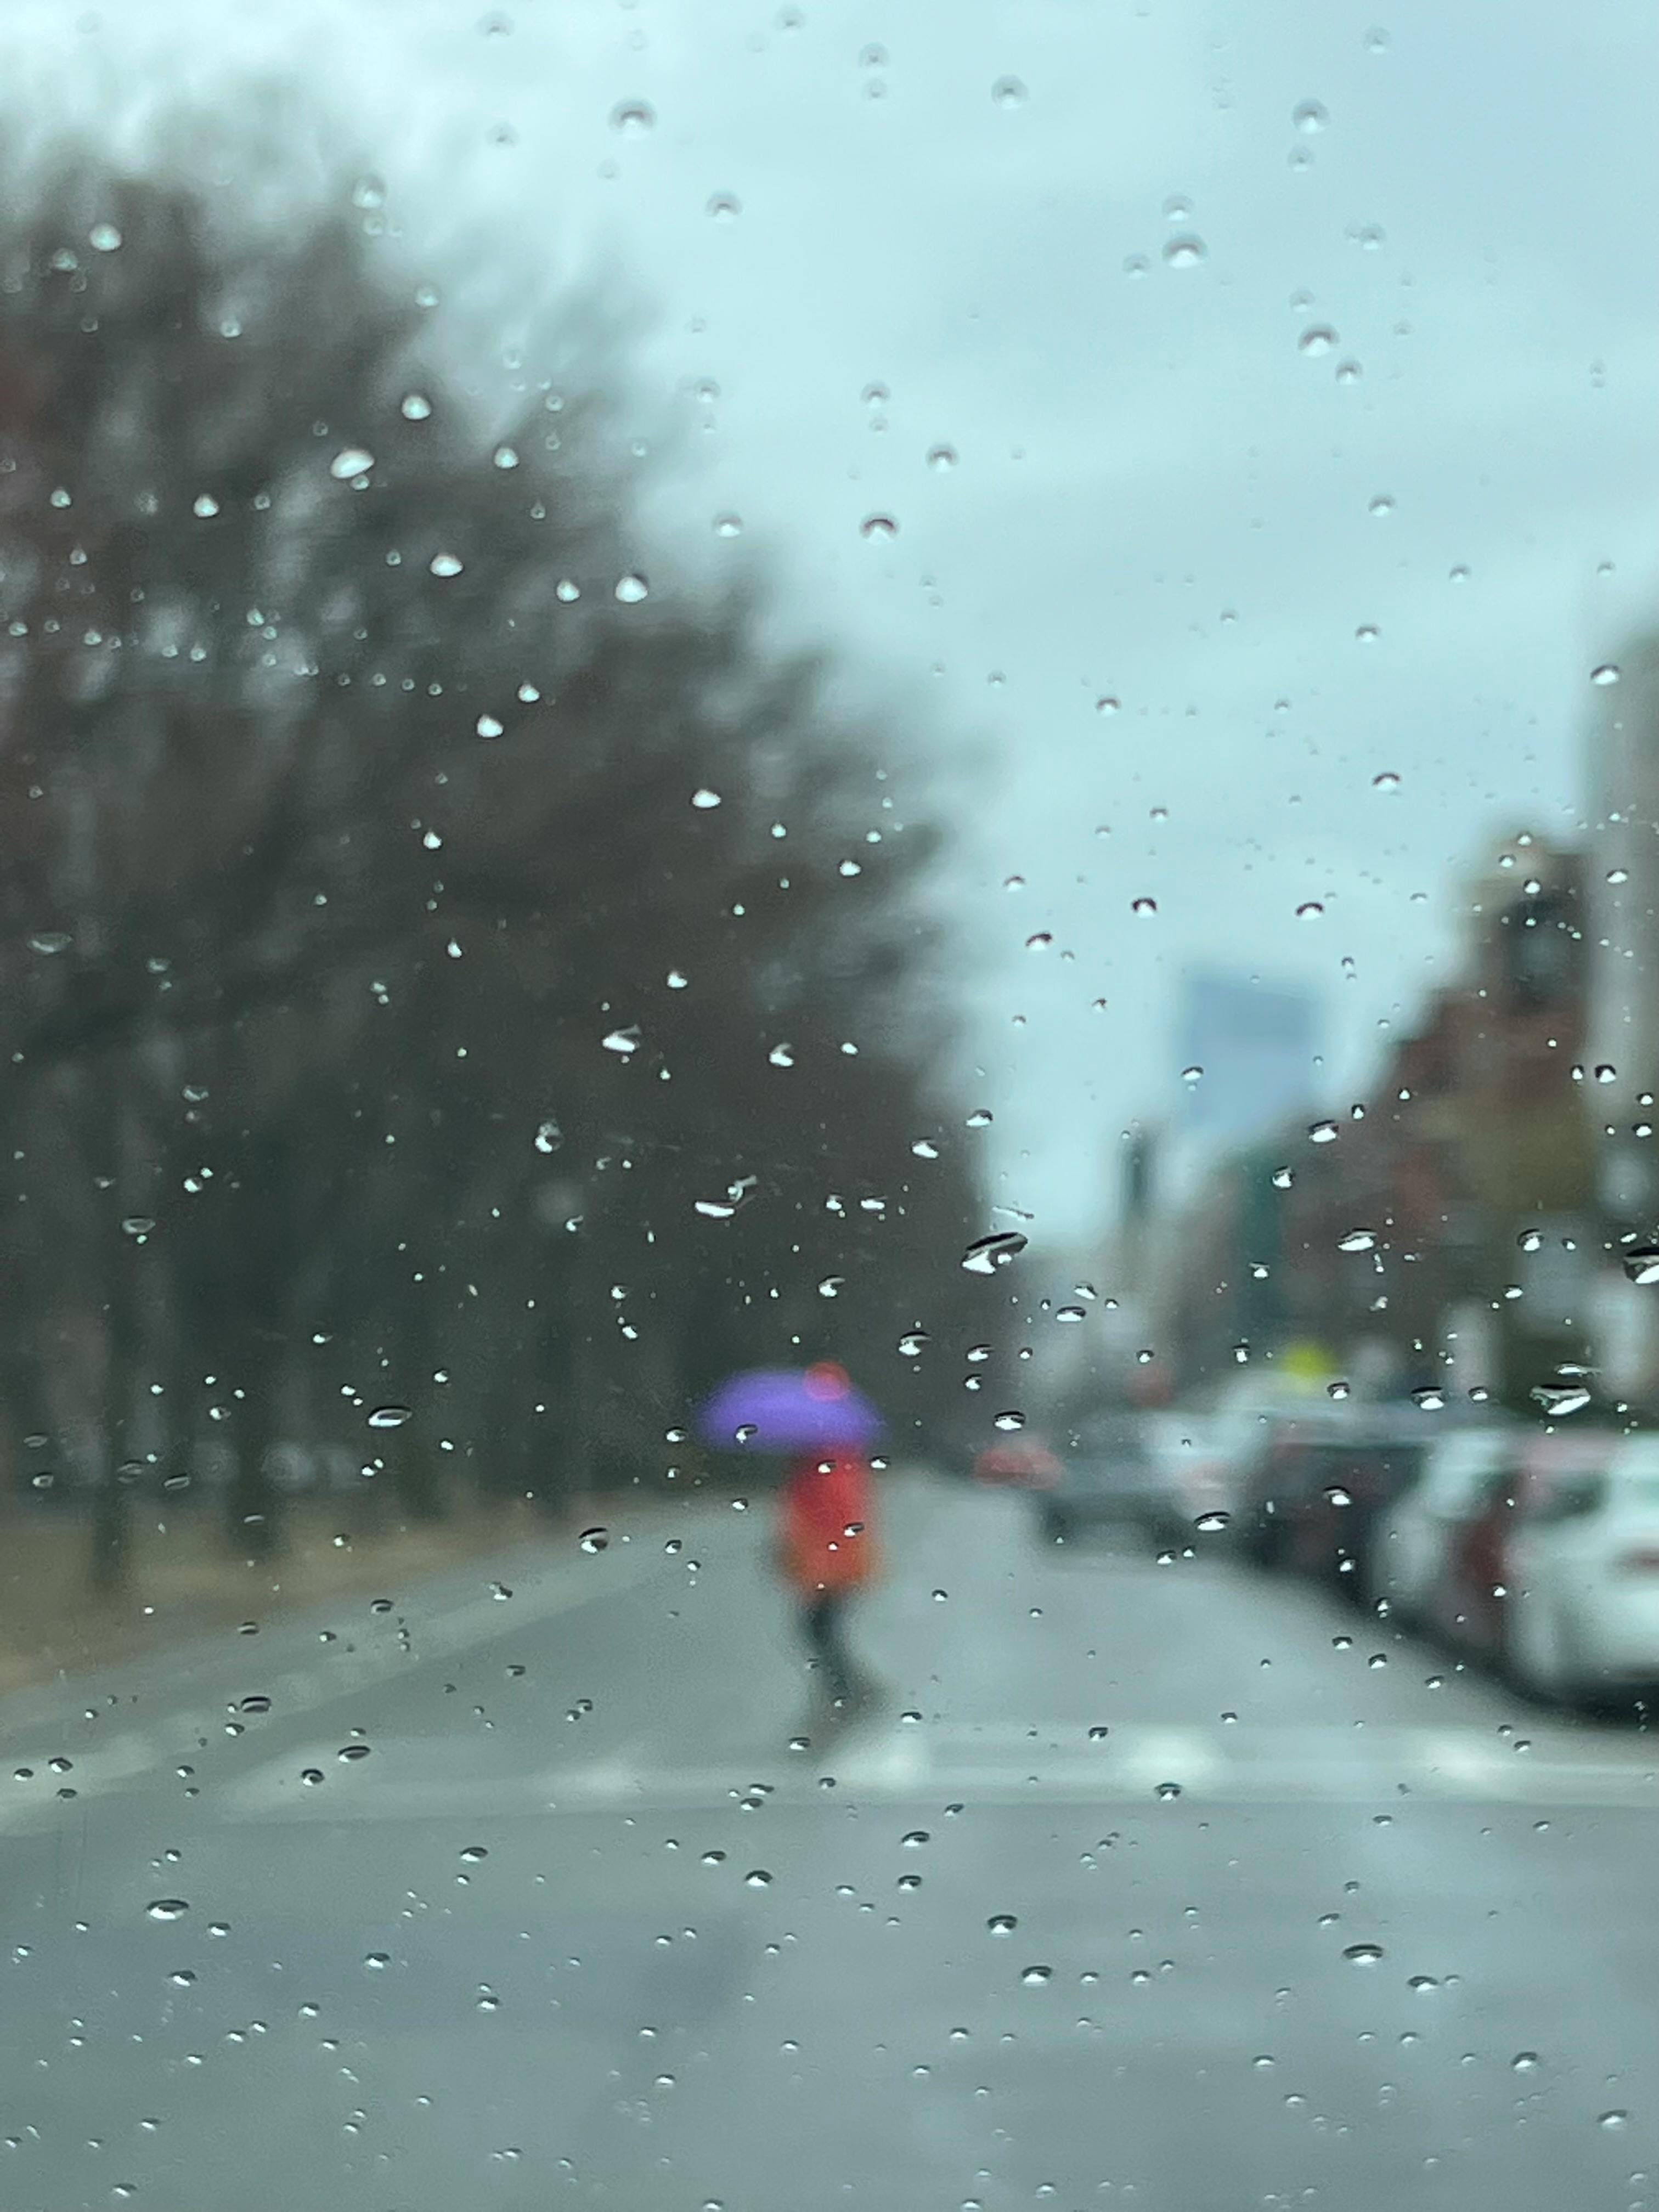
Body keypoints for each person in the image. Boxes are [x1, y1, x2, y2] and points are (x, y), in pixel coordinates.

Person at [778, 1446, 879, 1712]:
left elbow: (836, 1524)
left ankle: (847, 1692)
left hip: (833, 1568)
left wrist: (819, 1569)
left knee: (819, 1630)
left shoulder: (829, 1469)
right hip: (826, 1566)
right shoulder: (814, 1468)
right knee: (820, 1630)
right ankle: (847, 1691)